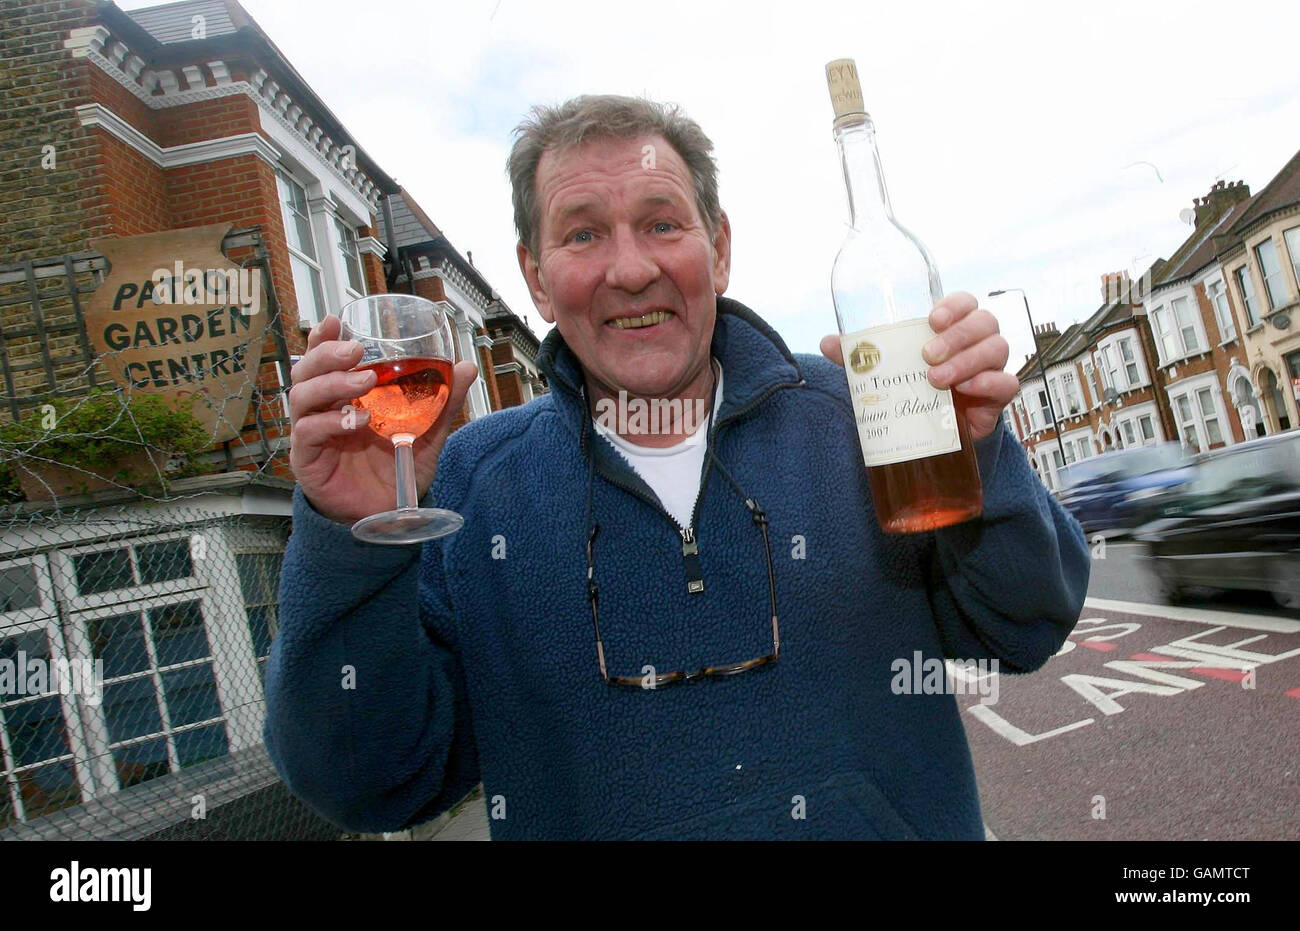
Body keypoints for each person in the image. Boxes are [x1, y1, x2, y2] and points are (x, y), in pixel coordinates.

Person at [265, 95, 1090, 840]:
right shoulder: (473, 482)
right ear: (536, 280)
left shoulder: (860, 414)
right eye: (583, 233)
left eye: (662, 223)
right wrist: (350, 542)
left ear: (719, 247)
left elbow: (1027, 625)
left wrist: (977, 449)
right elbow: (369, 782)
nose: (630, 269)